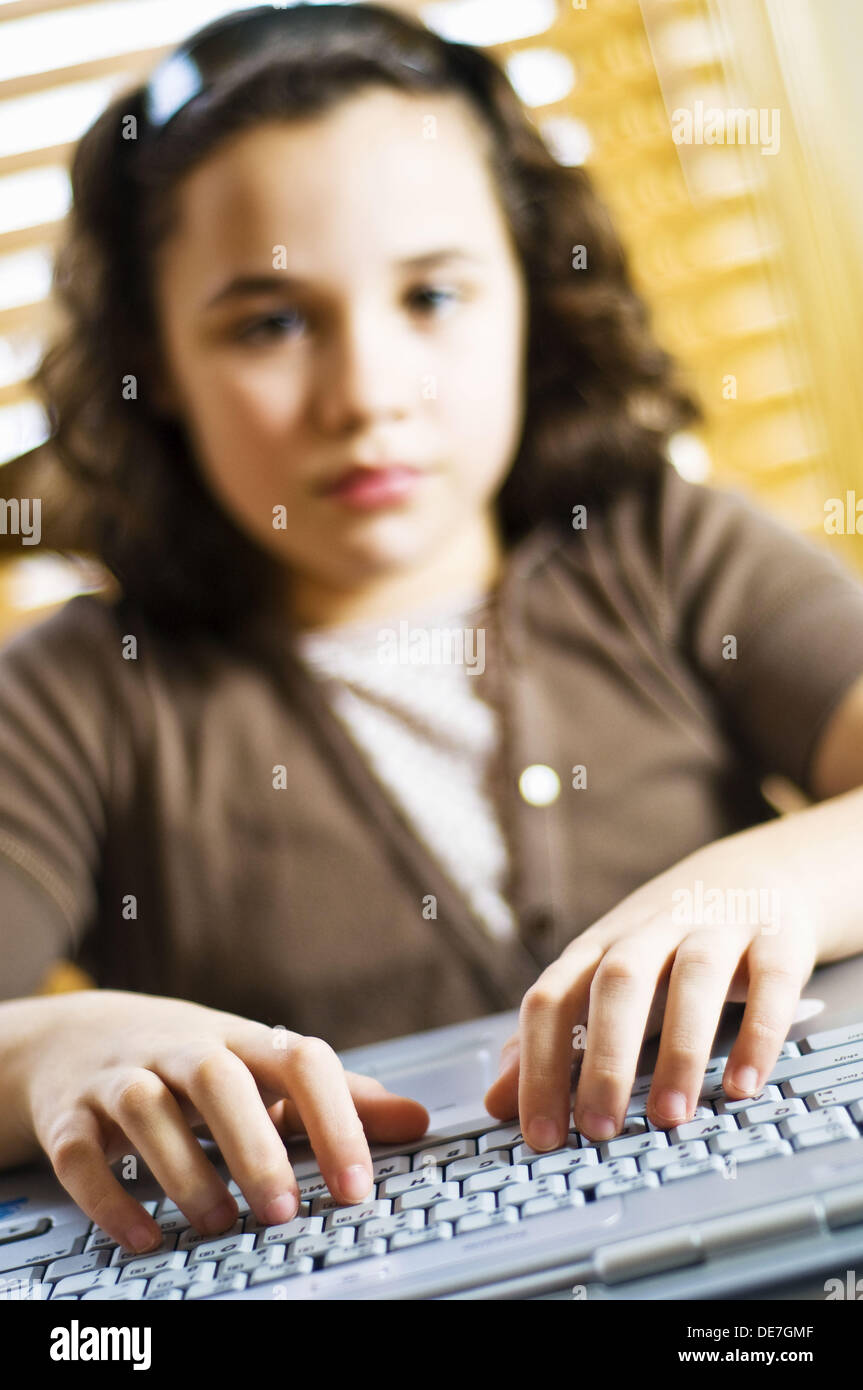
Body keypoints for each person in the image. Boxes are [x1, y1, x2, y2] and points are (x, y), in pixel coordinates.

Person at [1, 2, 863, 1263]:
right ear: (157, 363)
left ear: (527, 298)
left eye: (434, 293)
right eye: (270, 322)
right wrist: (46, 1047)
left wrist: (771, 878)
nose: (366, 394)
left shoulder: (668, 551)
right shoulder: (75, 696)